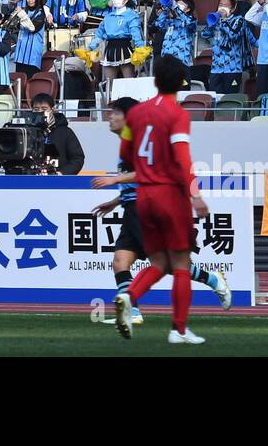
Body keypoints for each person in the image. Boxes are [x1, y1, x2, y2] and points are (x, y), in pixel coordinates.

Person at [92, 98, 232, 327]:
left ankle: (212, 279)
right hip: (132, 208)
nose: (109, 117)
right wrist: (116, 201)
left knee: (166, 264)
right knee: (120, 262)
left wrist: (116, 179)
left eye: (115, 112)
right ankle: (132, 312)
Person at [106, 56, 208, 343]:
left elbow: (126, 155)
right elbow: (182, 158)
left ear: (155, 81)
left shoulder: (137, 114)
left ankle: (129, 297)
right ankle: (179, 329)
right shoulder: (178, 114)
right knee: (180, 264)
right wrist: (195, 195)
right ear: (181, 84)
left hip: (143, 199)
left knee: (160, 263)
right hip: (168, 195)